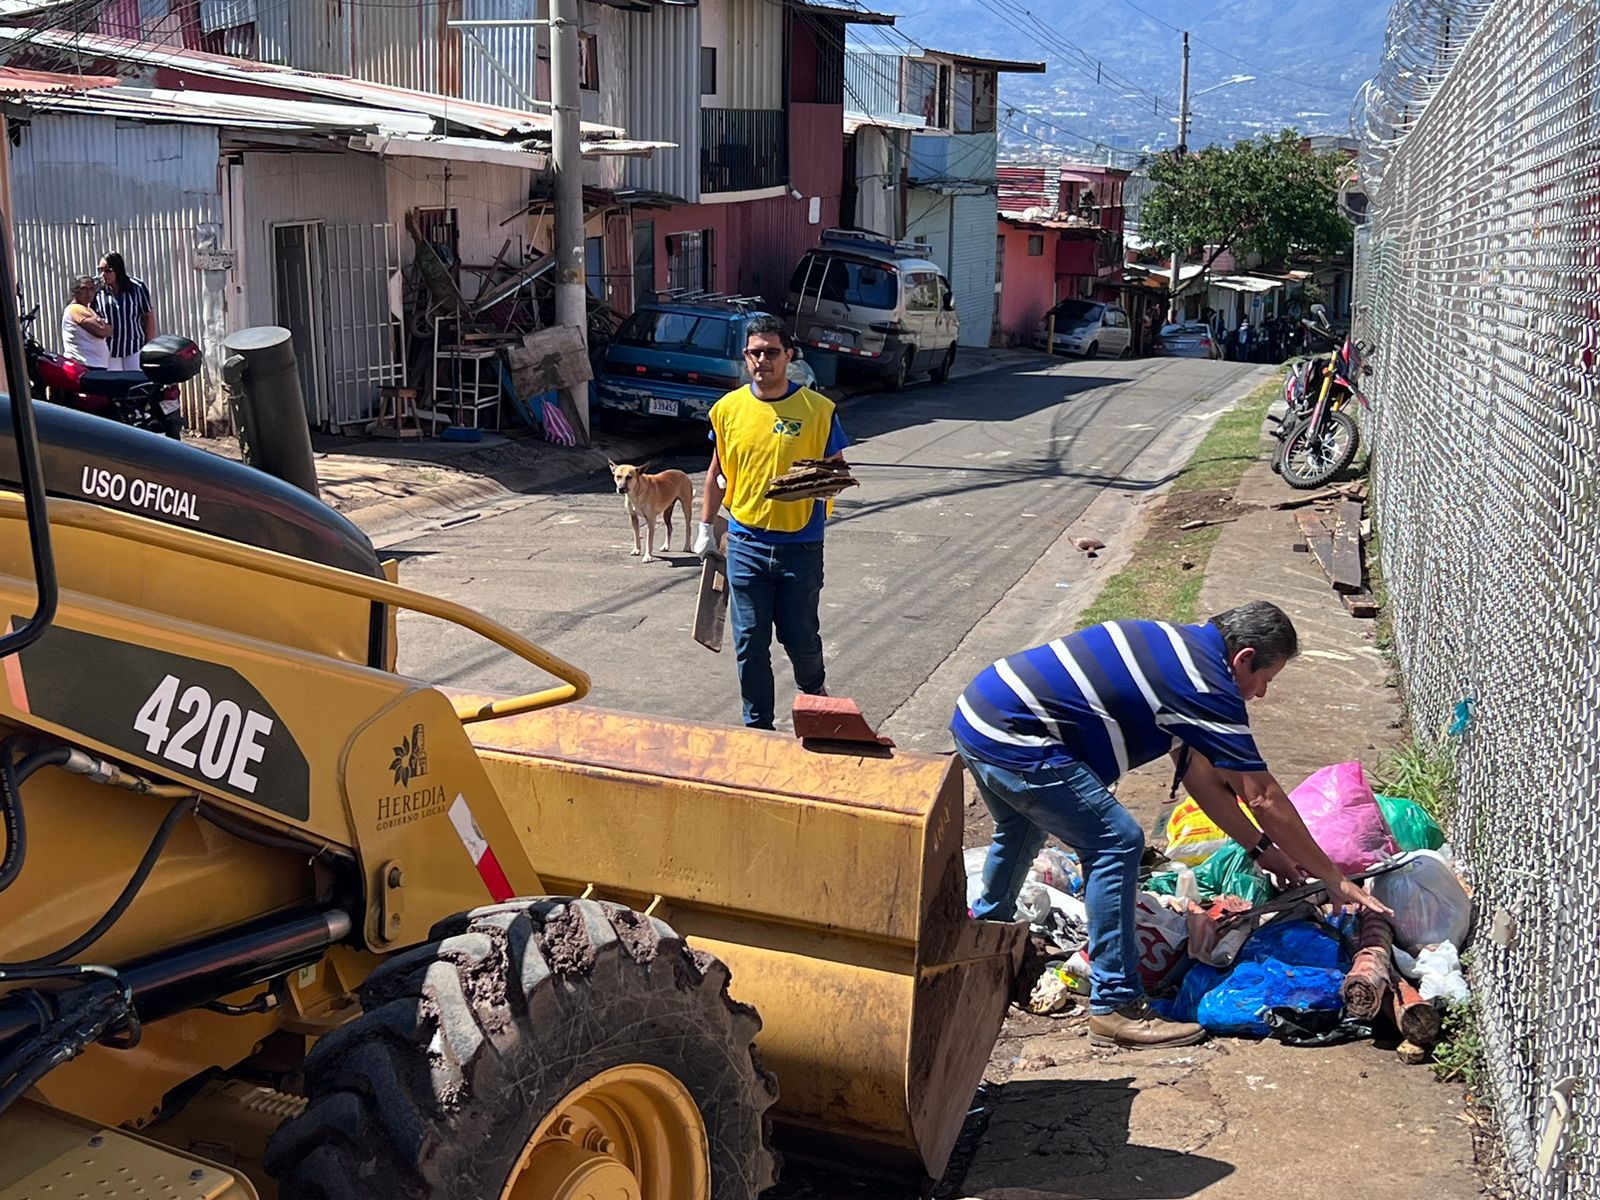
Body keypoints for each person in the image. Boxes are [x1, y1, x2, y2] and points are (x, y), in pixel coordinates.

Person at [951, 601, 1391, 1049]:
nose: (1260, 694)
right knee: (1117, 842)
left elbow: (1199, 776)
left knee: (1021, 829)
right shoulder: (1208, 686)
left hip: (979, 713)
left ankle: (985, 936)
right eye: (1264, 679)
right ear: (1243, 659)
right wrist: (1332, 877)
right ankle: (1115, 1007)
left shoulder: (1179, 648)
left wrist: (1262, 849)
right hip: (1013, 735)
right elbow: (1261, 795)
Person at [693, 317, 849, 730]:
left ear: (789, 357)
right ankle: (758, 726)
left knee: (799, 637)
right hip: (746, 542)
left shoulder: (818, 410)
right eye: (754, 352)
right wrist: (706, 527)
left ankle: (815, 698)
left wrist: (816, 483)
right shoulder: (727, 410)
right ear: (745, 358)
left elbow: (837, 473)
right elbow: (716, 472)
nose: (763, 360)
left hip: (801, 542)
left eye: (771, 352)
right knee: (749, 642)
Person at [93, 251, 155, 371]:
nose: (103, 274)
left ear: (118, 270)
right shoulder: (97, 290)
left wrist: (149, 346)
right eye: (100, 270)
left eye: (107, 270)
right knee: (114, 386)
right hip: (109, 350)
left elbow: (148, 316)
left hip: (134, 347)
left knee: (135, 384)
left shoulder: (137, 287)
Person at [60, 274, 111, 369]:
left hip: (93, 364)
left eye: (91, 289)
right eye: (84, 289)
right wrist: (103, 324)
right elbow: (103, 331)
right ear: (75, 291)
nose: (88, 293)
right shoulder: (76, 309)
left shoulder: (87, 309)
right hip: (86, 365)